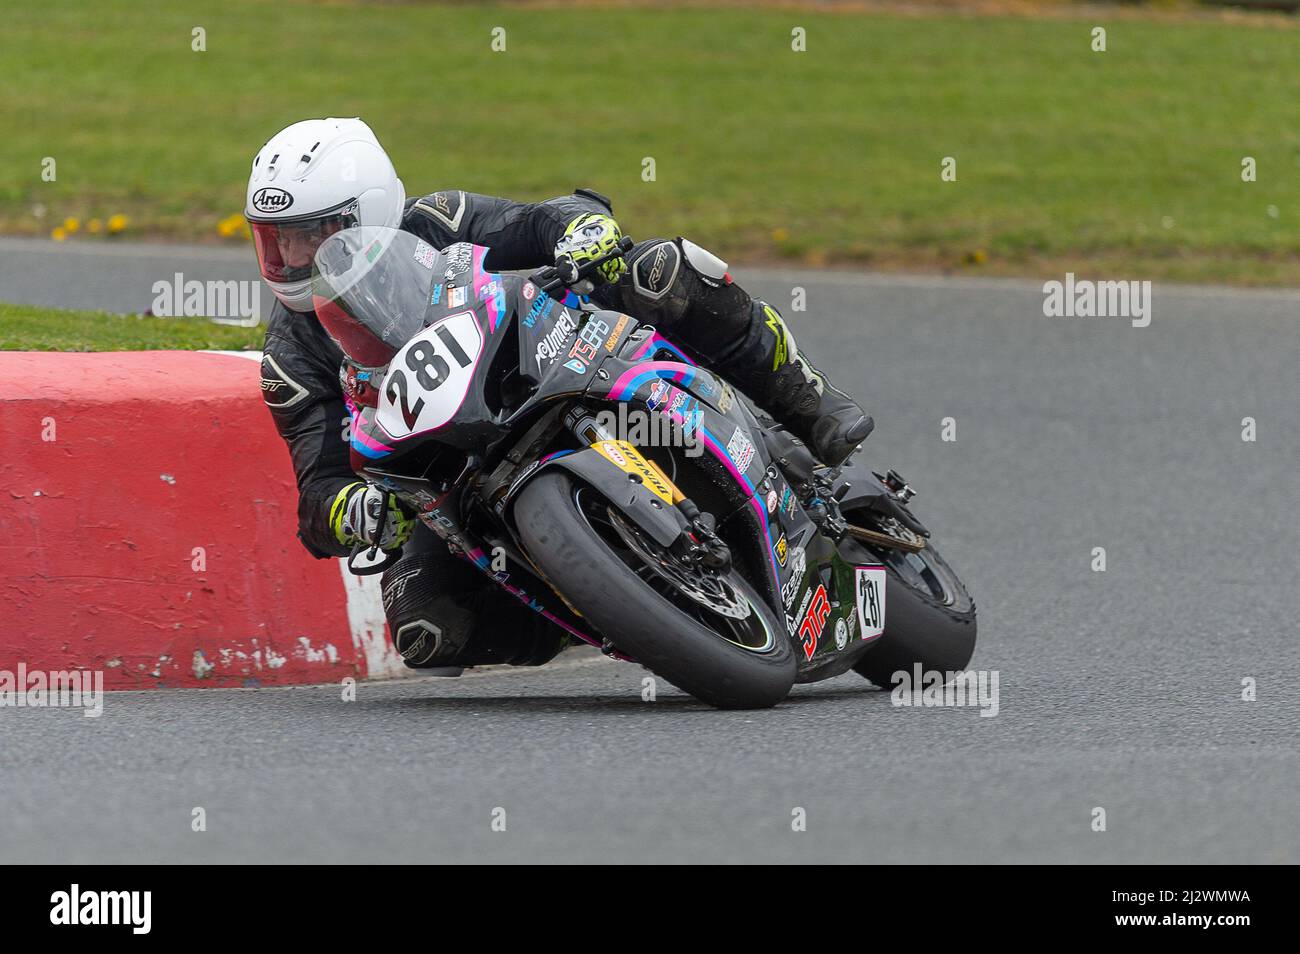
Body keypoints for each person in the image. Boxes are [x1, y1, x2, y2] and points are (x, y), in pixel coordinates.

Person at [246, 117, 872, 670]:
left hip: (545, 360)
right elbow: (318, 485)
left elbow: (534, 221)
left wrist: (582, 230)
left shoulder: (436, 220)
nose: (293, 257)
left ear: (369, 212)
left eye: (312, 234)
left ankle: (811, 403)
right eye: (276, 240)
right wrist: (351, 511)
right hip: (453, 475)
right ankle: (613, 603)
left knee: (659, 270)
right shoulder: (291, 357)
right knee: (425, 625)